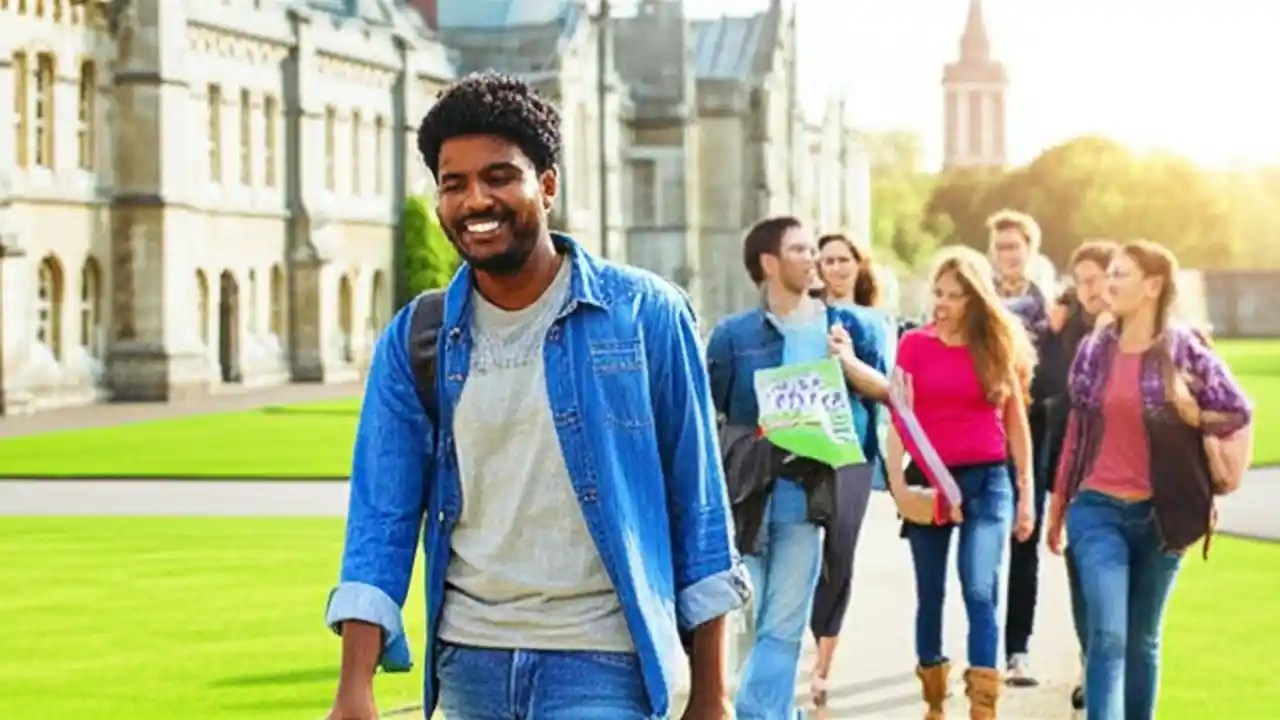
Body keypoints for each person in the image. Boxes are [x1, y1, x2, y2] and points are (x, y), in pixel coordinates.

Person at [323, 71, 749, 720]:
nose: (475, 201)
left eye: (499, 177)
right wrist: (355, 686)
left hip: (603, 662)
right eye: (454, 184)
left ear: (547, 186)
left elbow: (698, 505)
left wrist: (713, 694)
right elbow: (380, 515)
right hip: (469, 665)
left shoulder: (646, 317)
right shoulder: (416, 339)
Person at [1046, 240, 1252, 720]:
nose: (1108, 284)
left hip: (1163, 517)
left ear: (1153, 285)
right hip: (1096, 508)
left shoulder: (1185, 350)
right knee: (1108, 635)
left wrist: (1192, 411)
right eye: (1109, 274)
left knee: (1142, 641)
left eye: (1121, 275)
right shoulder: (1094, 350)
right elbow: (1076, 430)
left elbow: (1237, 410)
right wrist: (1059, 506)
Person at [707, 217, 887, 719]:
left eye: (814, 248)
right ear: (769, 263)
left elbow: (888, 393)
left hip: (808, 500)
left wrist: (849, 363)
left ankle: (757, 714)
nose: (814, 258)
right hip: (748, 503)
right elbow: (708, 416)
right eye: (801, 249)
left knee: (783, 625)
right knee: (749, 620)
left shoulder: (847, 328)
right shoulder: (732, 337)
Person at [885, 247, 1036, 720]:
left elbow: (1016, 424)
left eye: (955, 295)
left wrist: (1027, 492)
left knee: (979, 586)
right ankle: (934, 702)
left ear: (976, 300)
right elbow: (897, 419)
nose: (943, 303)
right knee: (930, 591)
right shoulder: (912, 345)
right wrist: (899, 487)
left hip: (989, 480)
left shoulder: (995, 345)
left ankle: (983, 709)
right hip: (926, 479)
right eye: (939, 292)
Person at [806, 233, 895, 704]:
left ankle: (824, 659)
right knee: (797, 551)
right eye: (825, 260)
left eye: (842, 259)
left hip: (852, 448)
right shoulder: (801, 315)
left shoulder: (875, 321)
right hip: (802, 446)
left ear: (860, 265)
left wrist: (848, 358)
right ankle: (802, 639)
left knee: (839, 555)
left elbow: (887, 387)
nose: (834, 268)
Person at [1039, 239, 1119, 711]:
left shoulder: (1142, 332)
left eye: (1098, 279)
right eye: (1082, 281)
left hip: (1131, 477)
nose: (1090, 289)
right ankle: (1092, 664)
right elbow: (1048, 387)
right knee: (1083, 580)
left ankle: (1113, 673)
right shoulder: (1066, 329)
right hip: (1078, 470)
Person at [985, 208, 1051, 686]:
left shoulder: (1053, 309)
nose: (1009, 255)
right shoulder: (977, 301)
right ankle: (982, 649)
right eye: (1001, 247)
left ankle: (1018, 650)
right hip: (985, 432)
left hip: (1036, 429)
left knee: (1024, 540)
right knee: (985, 545)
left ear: (1031, 251)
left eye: (1016, 247)